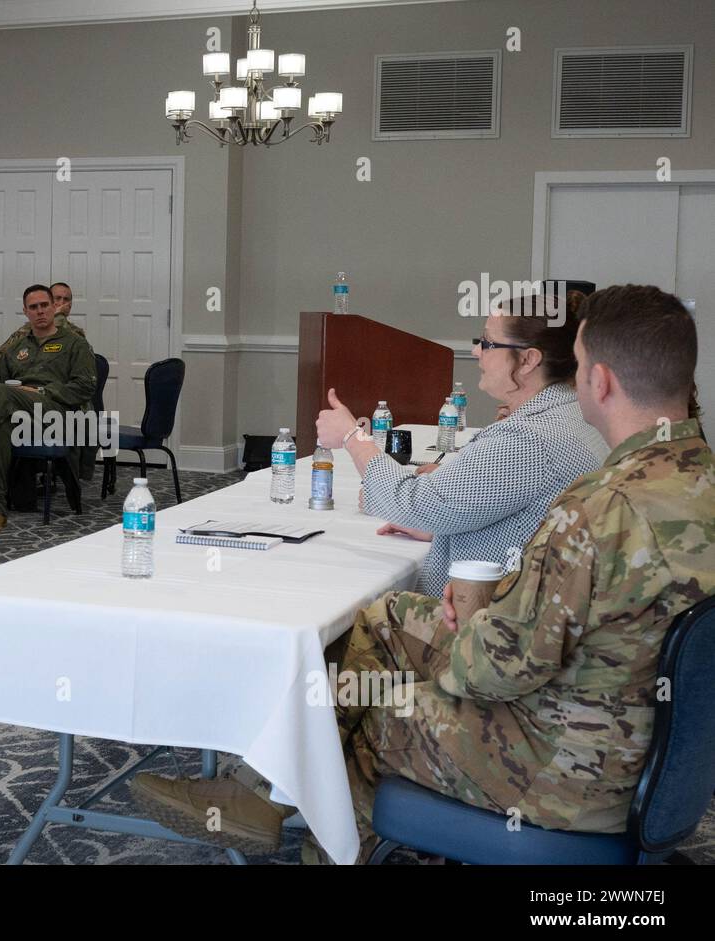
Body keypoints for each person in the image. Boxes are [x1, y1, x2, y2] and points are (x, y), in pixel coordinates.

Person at [131, 284, 715, 862]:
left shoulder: (596, 511)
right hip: (657, 752)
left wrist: (468, 628)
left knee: (373, 713)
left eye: (581, 366)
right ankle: (264, 799)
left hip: (570, 770)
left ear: (601, 380)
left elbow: (498, 669)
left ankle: (311, 835)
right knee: (388, 622)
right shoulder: (695, 480)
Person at [315, 292, 607, 598]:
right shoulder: (576, 414)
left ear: (529, 360)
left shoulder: (528, 438)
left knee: (348, 614)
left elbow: (413, 502)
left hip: (480, 626)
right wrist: (448, 521)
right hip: (530, 604)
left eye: (488, 343)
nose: (476, 351)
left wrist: (353, 437)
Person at [0, 284, 97, 533]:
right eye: (33, 307)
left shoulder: (74, 344)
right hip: (20, 417)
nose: (40, 312)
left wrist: (43, 392)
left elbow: (85, 387)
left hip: (56, 414)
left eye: (44, 305)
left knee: (4, 394)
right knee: (1, 425)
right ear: (25, 311)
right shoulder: (16, 349)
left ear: (53, 307)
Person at [0, 281, 86, 374]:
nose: (62, 303)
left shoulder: (76, 334)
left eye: (66, 299)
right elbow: (2, 356)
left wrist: (58, 314)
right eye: (57, 299)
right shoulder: (26, 331)